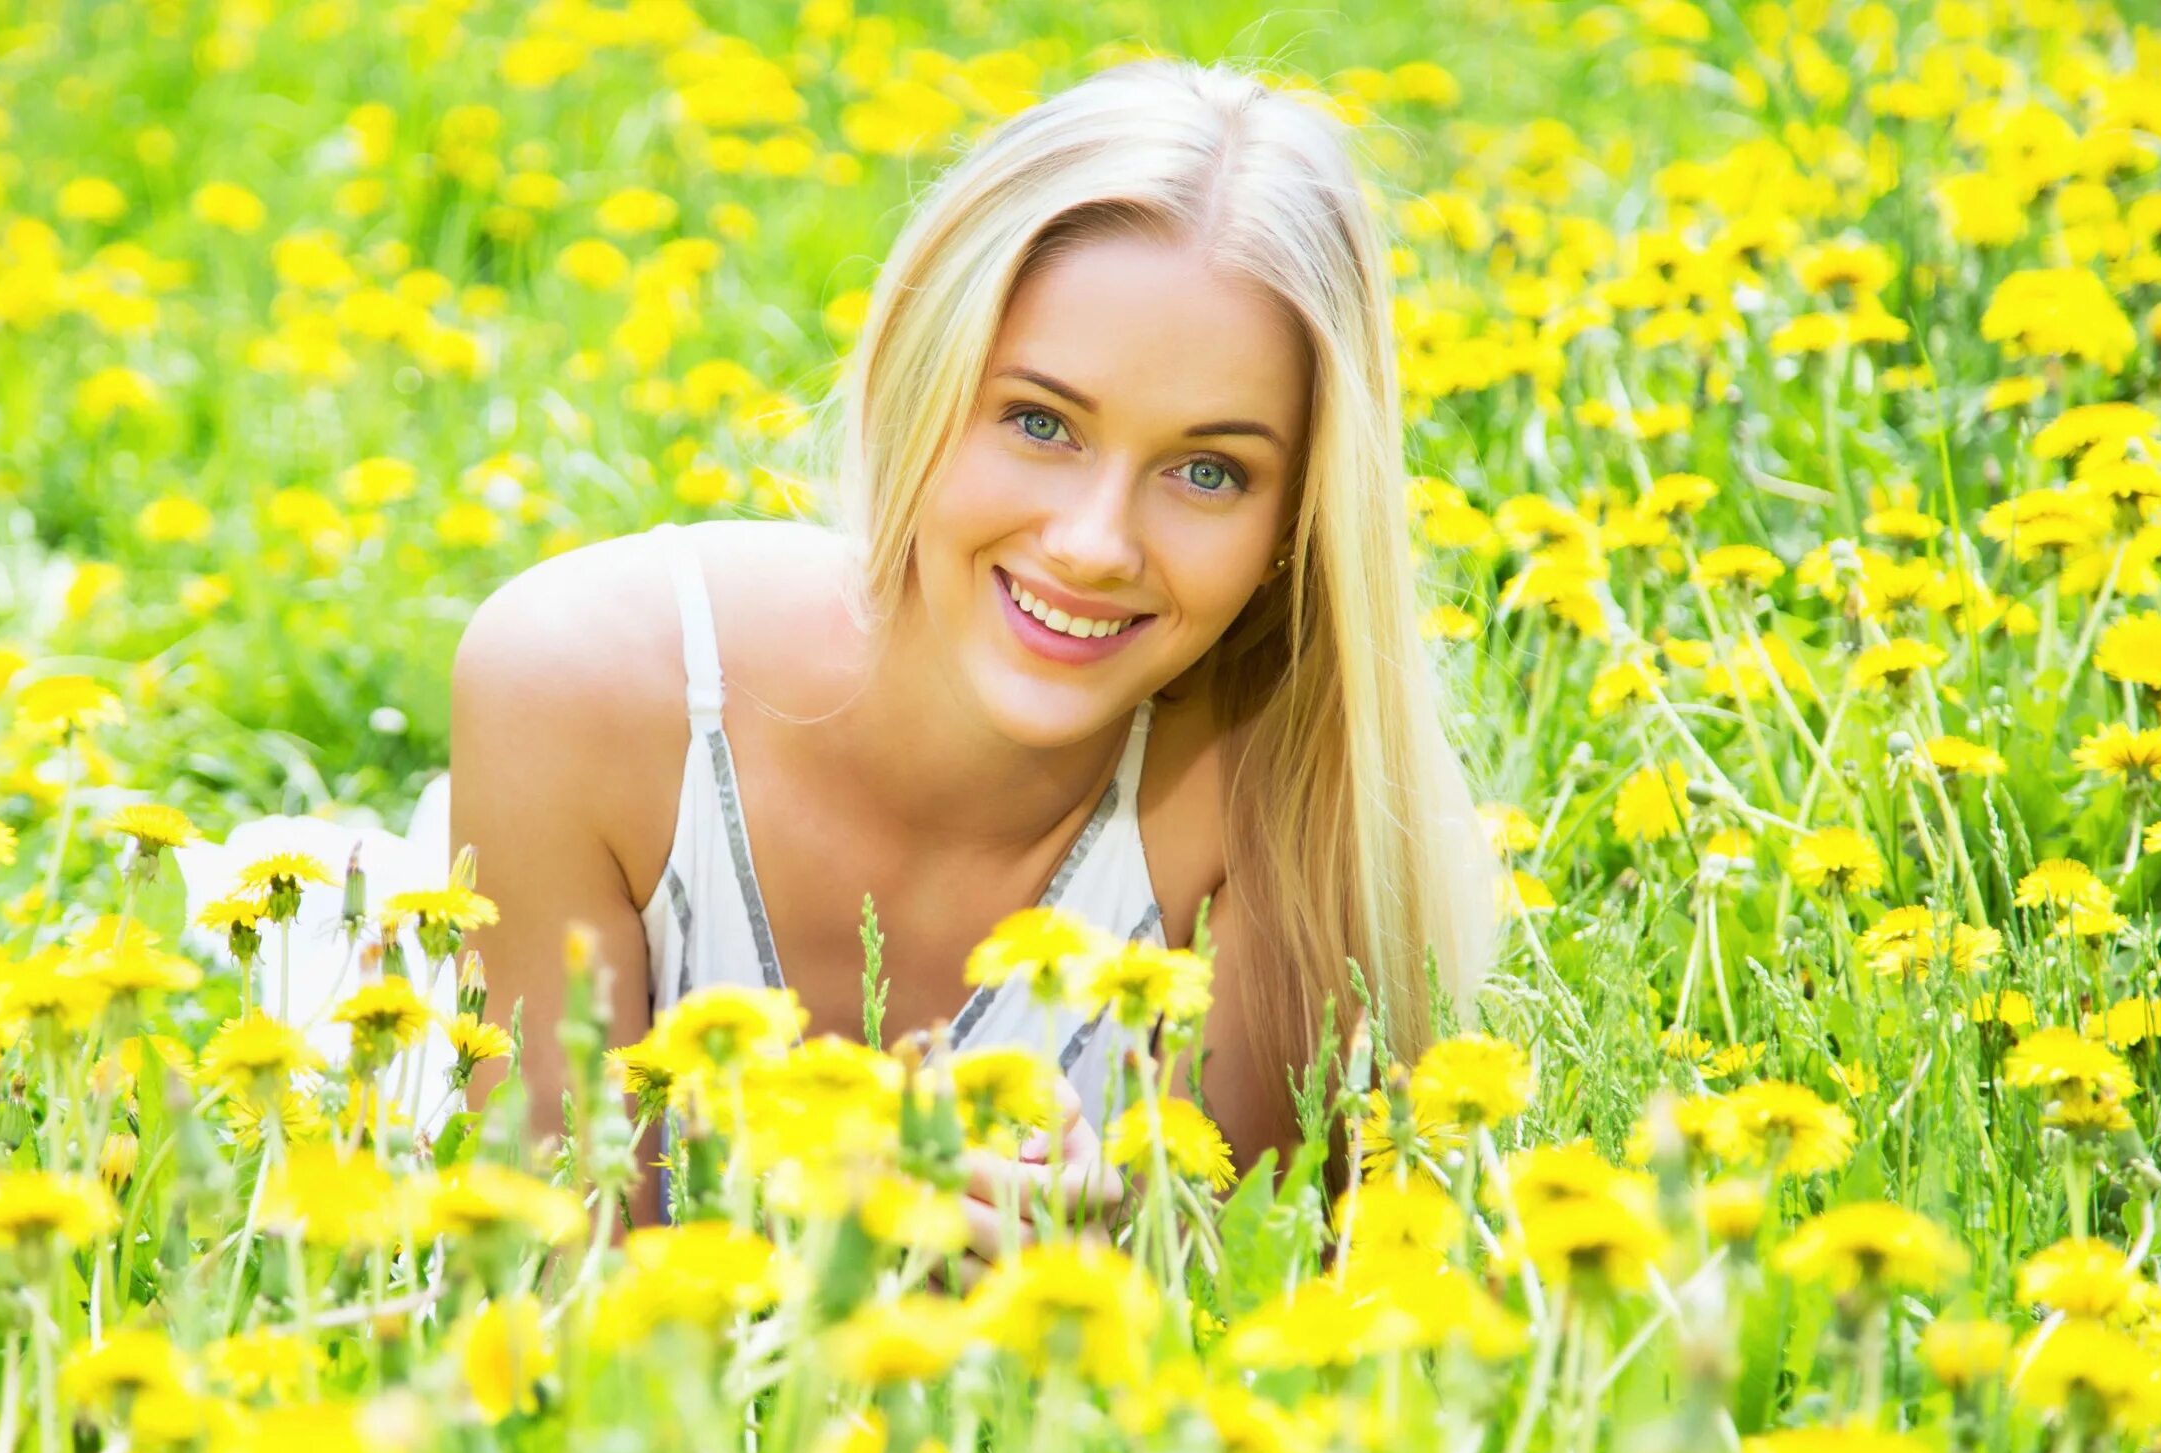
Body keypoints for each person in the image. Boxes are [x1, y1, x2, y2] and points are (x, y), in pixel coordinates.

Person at [449, 57, 1498, 1273]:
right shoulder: (580, 687)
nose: (1096, 545)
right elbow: (537, 1310)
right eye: (1039, 421)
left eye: (1208, 471)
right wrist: (824, 1259)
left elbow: (1245, 1323)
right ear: (914, 380)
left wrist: (1107, 1261)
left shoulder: (1280, 800)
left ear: (1291, 529)